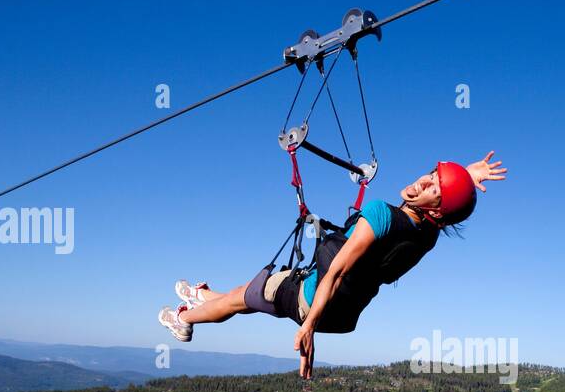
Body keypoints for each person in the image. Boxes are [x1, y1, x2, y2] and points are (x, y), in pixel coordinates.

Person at [159, 152, 506, 378]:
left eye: (434, 187)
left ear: (435, 210)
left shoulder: (381, 216)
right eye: (431, 173)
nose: (423, 181)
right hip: (340, 313)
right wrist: (466, 176)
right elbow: (445, 212)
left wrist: (308, 325)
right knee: (254, 292)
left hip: (310, 298)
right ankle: (203, 297)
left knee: (243, 300)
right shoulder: (426, 237)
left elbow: (337, 271)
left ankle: (184, 319)